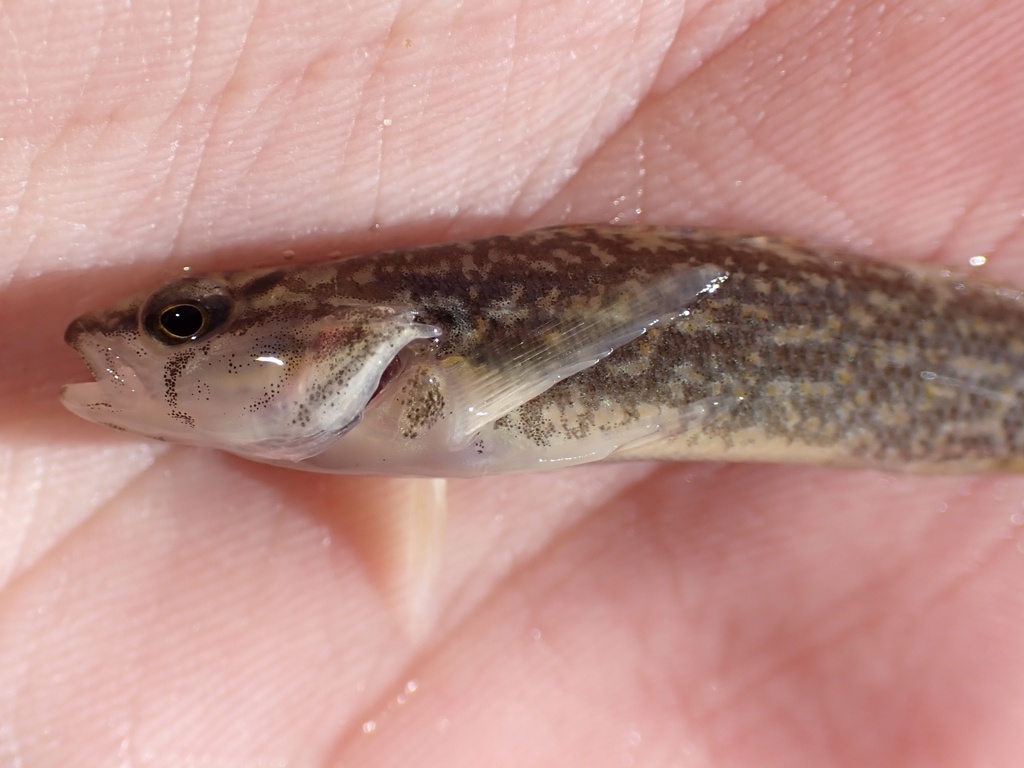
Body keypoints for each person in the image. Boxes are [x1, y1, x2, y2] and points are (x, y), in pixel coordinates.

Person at [3, 1, 1023, 765]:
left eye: (185, 325)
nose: (116, 347)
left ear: (353, 331)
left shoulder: (422, 370)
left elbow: (687, 288)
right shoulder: (390, 409)